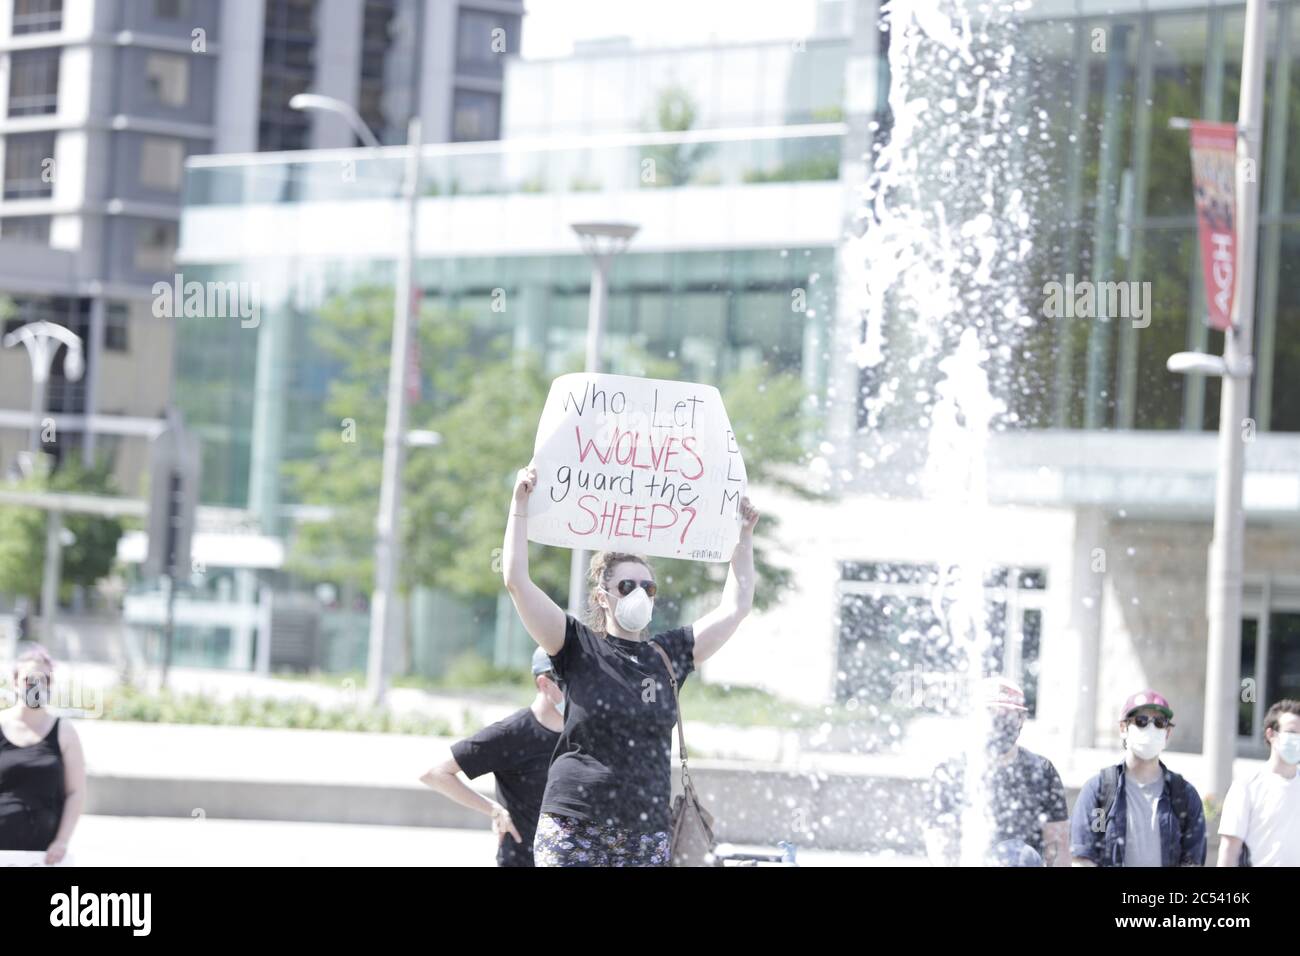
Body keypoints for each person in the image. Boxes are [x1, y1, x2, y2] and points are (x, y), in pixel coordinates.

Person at [504, 461, 759, 867]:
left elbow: (737, 606)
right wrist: (519, 506)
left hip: (645, 830)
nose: (639, 593)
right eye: (627, 585)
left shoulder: (668, 654)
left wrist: (742, 539)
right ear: (603, 596)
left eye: (648, 586)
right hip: (575, 824)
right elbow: (517, 579)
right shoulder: (576, 645)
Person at [418, 647, 564, 867]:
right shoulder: (512, 733)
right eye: (570, 680)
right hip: (522, 859)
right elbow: (435, 774)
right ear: (544, 683)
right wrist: (494, 810)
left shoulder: (582, 731)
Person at [925, 677, 1069, 867]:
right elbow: (941, 847)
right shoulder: (951, 772)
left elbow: (1057, 847)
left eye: (1007, 715)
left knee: (1018, 855)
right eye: (991, 714)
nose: (999, 722)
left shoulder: (1041, 771)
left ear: (1021, 719)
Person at [1069, 690, 1205, 867]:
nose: (1151, 729)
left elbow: (1192, 860)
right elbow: (1083, 857)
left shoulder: (1184, 796)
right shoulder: (1100, 791)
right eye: (1141, 721)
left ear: (1168, 733)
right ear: (1123, 728)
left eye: (1159, 723)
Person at [0, 643, 86, 863]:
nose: (37, 686)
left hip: (43, 856)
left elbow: (76, 792)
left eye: (44, 680)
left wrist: (62, 841)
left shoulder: (64, 732)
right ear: (15, 682)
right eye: (30, 679)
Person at [1217, 699, 1300, 866]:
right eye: (1292, 732)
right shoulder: (1247, 786)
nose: (1297, 739)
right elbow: (1229, 850)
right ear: (1271, 735)